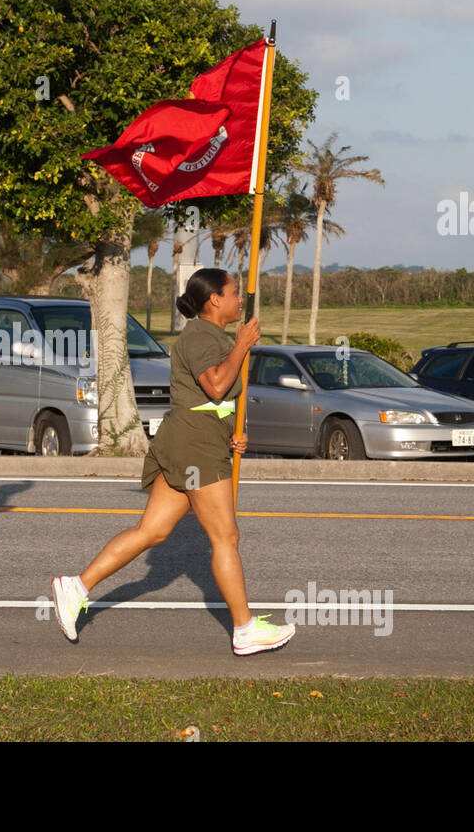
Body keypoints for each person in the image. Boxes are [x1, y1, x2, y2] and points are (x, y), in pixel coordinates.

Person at [49, 268, 296, 655]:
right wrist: (243, 345)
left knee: (152, 531)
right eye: (234, 293)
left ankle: (75, 587)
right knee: (225, 537)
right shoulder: (199, 335)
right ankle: (245, 629)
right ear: (214, 299)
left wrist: (232, 431)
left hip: (195, 439)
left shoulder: (211, 336)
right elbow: (214, 384)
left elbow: (215, 399)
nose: (239, 301)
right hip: (194, 445)